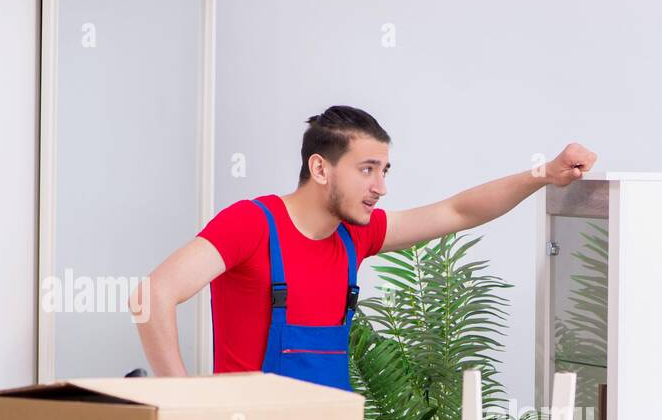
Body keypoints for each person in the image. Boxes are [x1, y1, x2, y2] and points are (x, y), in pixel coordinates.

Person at [134, 104, 595, 389]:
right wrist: (182, 405)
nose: (380, 187)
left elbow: (459, 211)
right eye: (367, 169)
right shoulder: (253, 224)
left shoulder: (357, 234)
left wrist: (545, 175)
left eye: (385, 171)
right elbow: (151, 295)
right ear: (321, 169)